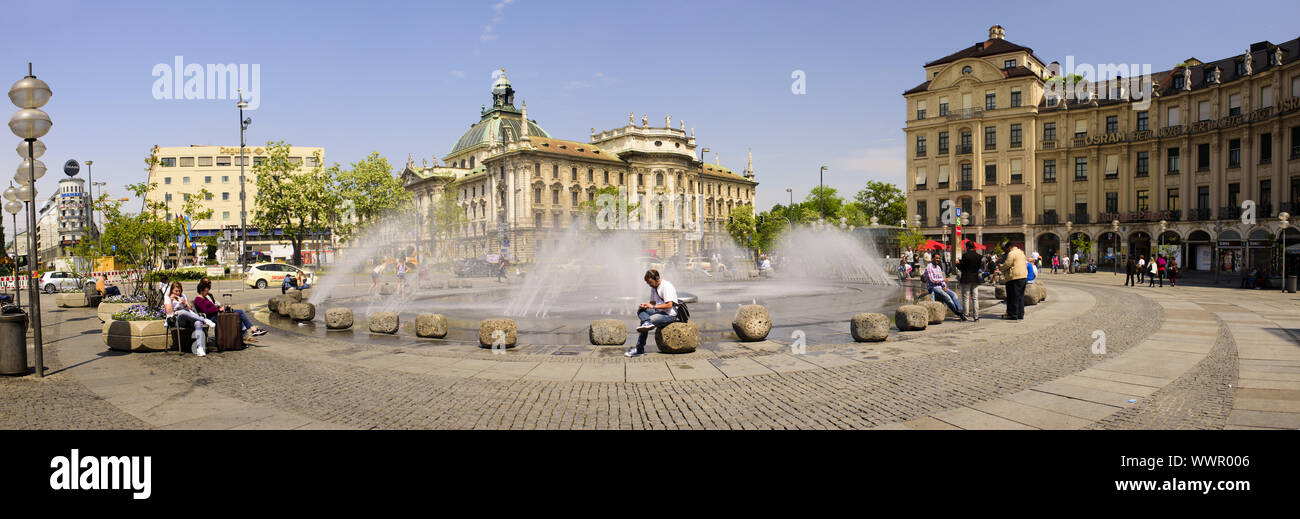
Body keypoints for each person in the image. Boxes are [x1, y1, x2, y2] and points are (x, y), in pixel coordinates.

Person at [193, 278, 266, 342]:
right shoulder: (198, 300)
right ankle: (252, 330)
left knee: (238, 313)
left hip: (217, 315)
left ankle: (251, 330)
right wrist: (219, 309)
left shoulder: (204, 298)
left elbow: (211, 308)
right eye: (206, 291)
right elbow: (206, 311)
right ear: (201, 291)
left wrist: (221, 308)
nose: (207, 292)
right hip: (213, 317)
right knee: (239, 313)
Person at [628, 269, 679, 357]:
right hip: (659, 311)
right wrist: (646, 305)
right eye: (648, 283)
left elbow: (669, 305)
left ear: (656, 278)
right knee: (641, 310)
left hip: (669, 315)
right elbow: (653, 303)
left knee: (645, 323)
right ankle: (646, 322)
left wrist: (653, 307)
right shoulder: (653, 287)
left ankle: (639, 349)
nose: (649, 285)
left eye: (650, 282)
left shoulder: (666, 286)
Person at [163, 281, 215, 357]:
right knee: (182, 312)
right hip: (177, 320)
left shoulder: (183, 296)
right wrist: (171, 301)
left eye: (179, 291)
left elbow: (190, 308)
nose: (178, 293)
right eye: (176, 291)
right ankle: (204, 320)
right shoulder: (167, 297)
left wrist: (185, 303)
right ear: (172, 291)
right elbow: (169, 312)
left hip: (189, 317)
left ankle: (199, 348)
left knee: (197, 323)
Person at [924, 255, 966, 321]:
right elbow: (932, 280)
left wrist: (944, 286)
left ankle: (960, 309)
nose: (938, 260)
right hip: (933, 287)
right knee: (947, 297)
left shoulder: (938, 267)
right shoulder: (928, 267)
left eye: (939, 258)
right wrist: (942, 280)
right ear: (932, 259)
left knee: (954, 294)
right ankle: (958, 313)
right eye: (936, 258)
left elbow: (941, 279)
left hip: (940, 286)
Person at [999, 240, 1028, 320]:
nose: (1005, 251)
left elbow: (1007, 264)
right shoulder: (1021, 252)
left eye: (1006, 249)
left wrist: (1000, 266)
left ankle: (1013, 314)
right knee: (1020, 296)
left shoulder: (1011, 253)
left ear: (1009, 247)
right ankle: (1020, 314)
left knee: (1013, 296)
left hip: (1014, 277)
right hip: (1023, 276)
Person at [957, 241, 982, 322]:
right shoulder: (979, 256)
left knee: (965, 298)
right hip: (975, 278)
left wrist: (957, 264)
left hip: (966, 278)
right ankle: (976, 316)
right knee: (975, 298)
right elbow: (978, 267)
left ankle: (966, 315)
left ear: (967, 247)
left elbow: (962, 267)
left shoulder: (965, 256)